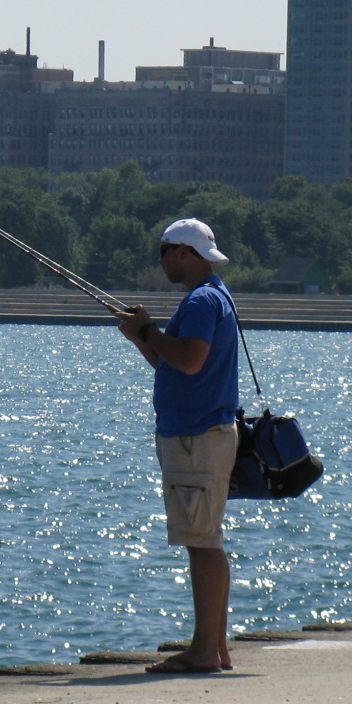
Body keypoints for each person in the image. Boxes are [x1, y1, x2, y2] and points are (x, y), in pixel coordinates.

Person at [118, 218, 240, 673]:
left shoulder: (202, 301)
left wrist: (149, 331)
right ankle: (215, 645)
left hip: (195, 438)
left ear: (184, 252)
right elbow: (177, 363)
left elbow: (189, 361)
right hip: (199, 434)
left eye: (163, 250)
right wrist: (142, 338)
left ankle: (205, 650)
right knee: (204, 539)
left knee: (202, 541)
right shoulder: (213, 297)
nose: (161, 260)